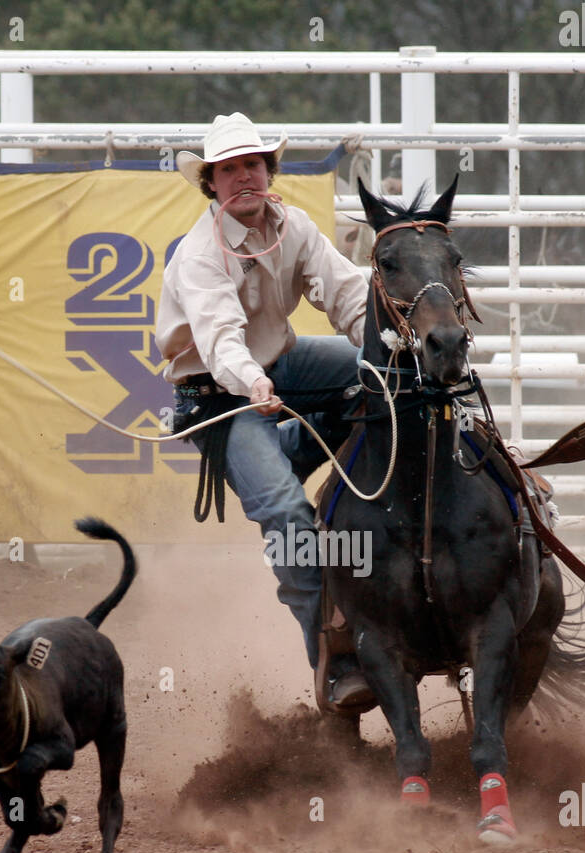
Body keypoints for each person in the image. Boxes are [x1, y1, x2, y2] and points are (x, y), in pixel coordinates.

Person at [156, 112, 373, 710]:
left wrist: (375, 340)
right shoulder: (201, 255)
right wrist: (252, 383)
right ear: (213, 184)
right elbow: (222, 343)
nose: (244, 178)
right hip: (220, 396)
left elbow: (348, 292)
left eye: (252, 164)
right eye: (230, 170)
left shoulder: (293, 226)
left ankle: (293, 456)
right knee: (286, 516)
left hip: (274, 369)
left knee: (373, 376)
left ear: (268, 170)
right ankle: (332, 662)